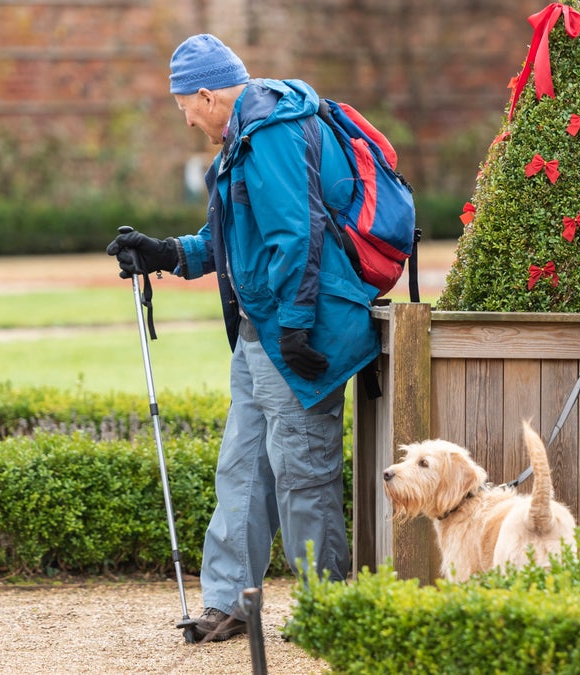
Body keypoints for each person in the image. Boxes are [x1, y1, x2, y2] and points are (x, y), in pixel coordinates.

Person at [106, 34, 381, 642]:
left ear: (207, 96)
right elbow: (230, 242)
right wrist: (166, 253)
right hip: (261, 333)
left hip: (297, 336)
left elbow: (298, 234)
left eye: (185, 107)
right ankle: (230, 603)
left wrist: (297, 326)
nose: (186, 120)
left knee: (302, 475)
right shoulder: (244, 138)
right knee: (242, 470)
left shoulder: (273, 133)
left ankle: (328, 610)